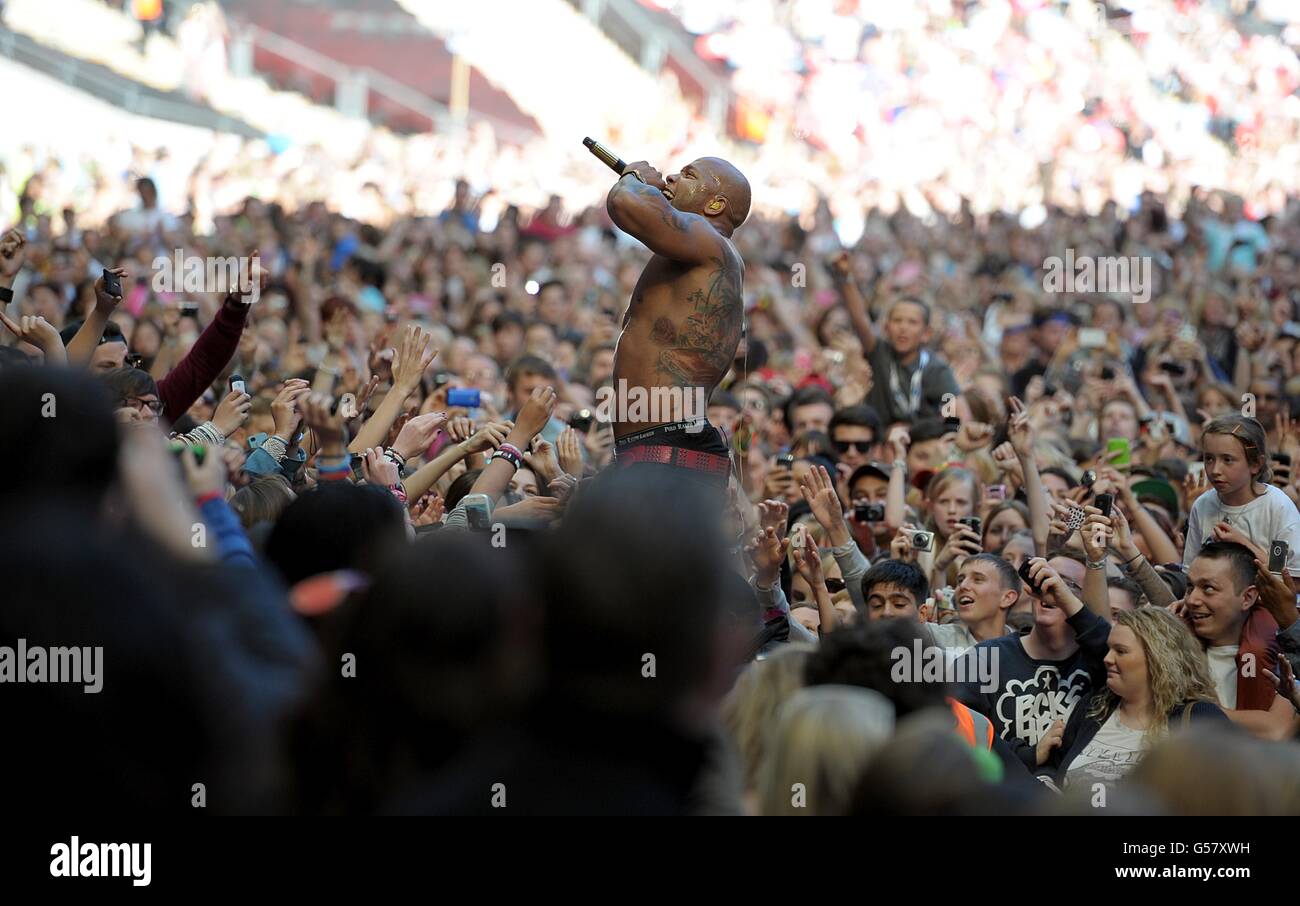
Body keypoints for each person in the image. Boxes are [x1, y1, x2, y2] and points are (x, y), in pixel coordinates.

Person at [604, 156, 751, 489]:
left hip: (666, 452)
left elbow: (624, 202)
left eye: (688, 175)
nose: (670, 178)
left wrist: (636, 178)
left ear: (715, 204)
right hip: (660, 449)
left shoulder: (707, 239)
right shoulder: (705, 254)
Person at [1036, 607, 1229, 797]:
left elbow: (1233, 788)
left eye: (1120, 651)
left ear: (1158, 659)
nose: (1107, 658)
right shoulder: (1094, 707)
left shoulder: (1199, 717)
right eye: (1109, 649)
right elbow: (1055, 768)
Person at [956, 554, 1111, 769]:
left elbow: (1110, 647)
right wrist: (1027, 755)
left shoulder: (1104, 662)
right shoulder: (986, 657)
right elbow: (955, 728)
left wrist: (1066, 600)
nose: (1049, 588)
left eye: (1066, 584)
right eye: (1043, 578)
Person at [1175, 541, 1300, 740]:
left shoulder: (1282, 653)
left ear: (1248, 597)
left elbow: (1276, 731)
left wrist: (1186, 711)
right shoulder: (1173, 642)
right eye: (1190, 586)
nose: (1192, 600)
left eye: (1208, 588)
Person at [1185, 415, 1300, 575]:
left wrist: (1242, 544)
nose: (1215, 470)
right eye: (1209, 459)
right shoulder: (1203, 505)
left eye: (1228, 460)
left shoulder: (1277, 506)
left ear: (1255, 464)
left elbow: (1289, 577)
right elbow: (1190, 573)